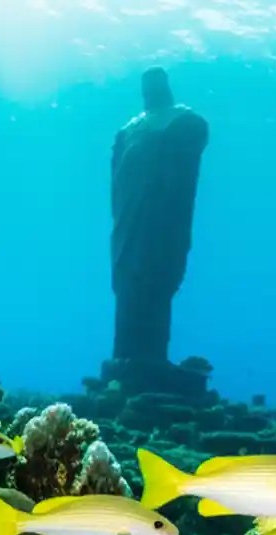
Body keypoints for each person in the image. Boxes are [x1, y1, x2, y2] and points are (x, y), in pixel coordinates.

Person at [109, 67, 209, 371]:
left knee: (155, 277)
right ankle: (129, 359)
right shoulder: (128, 131)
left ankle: (149, 359)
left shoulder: (184, 120)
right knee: (132, 280)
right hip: (131, 222)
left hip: (162, 221)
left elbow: (183, 166)